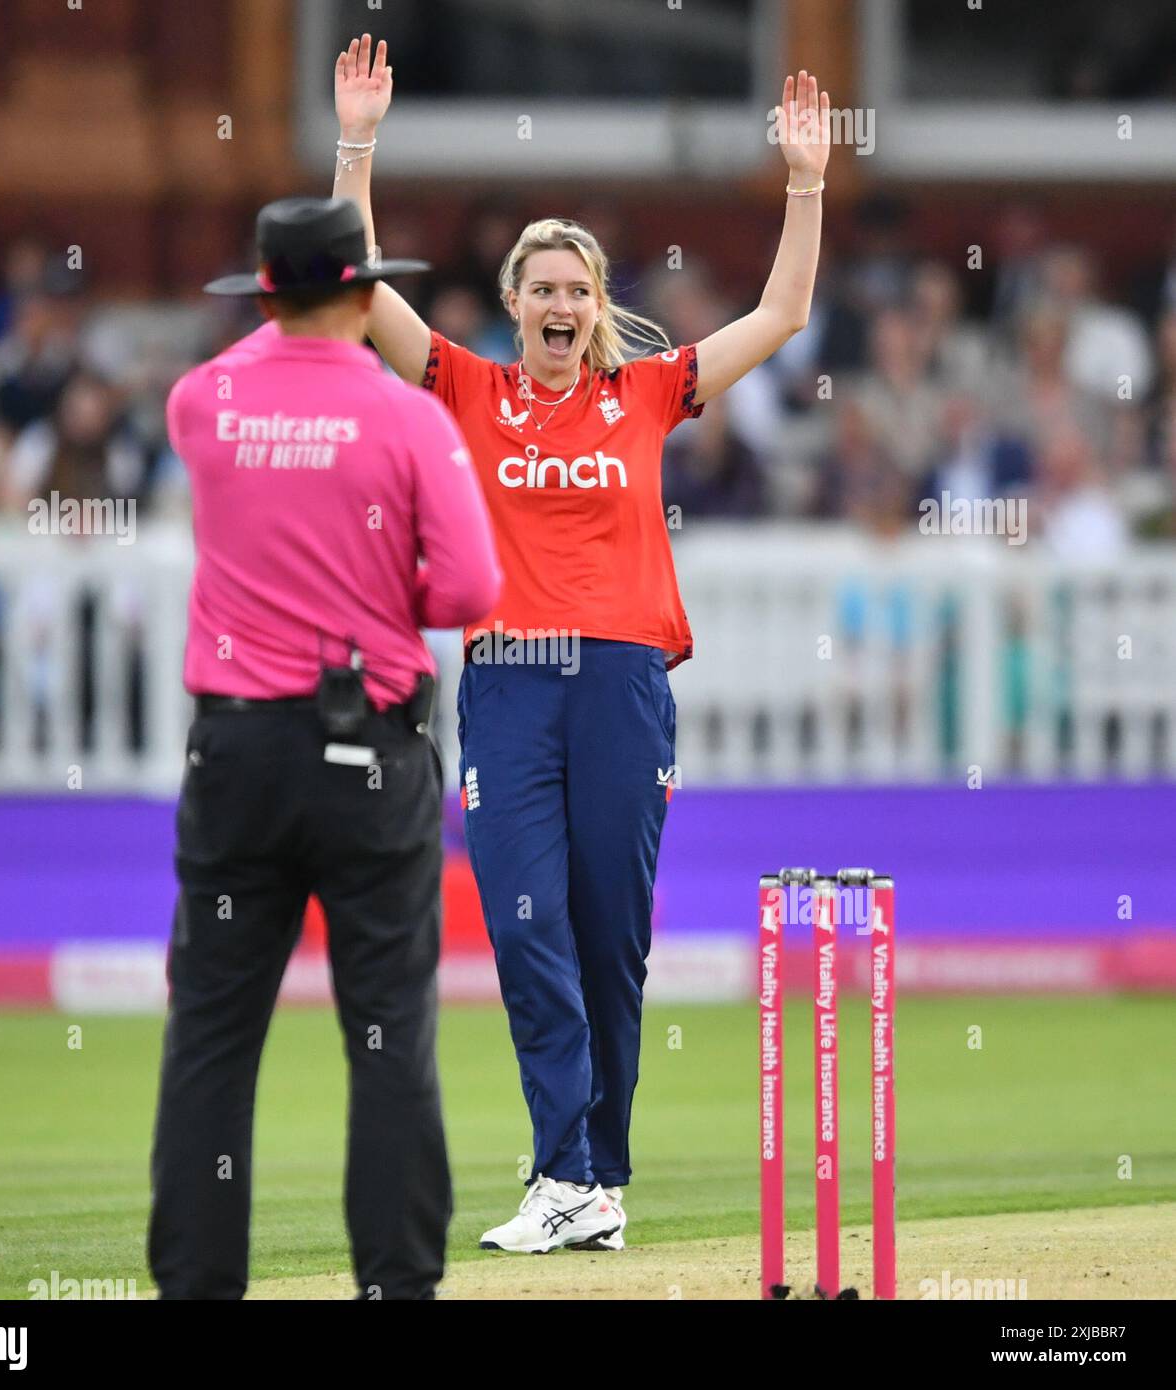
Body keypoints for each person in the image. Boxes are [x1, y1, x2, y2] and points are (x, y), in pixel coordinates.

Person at [333, 35, 829, 1252]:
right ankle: (563, 1170)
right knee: (522, 921)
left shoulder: (648, 392)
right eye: (541, 289)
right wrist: (357, 144)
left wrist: (805, 180)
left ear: (598, 306)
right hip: (505, 682)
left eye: (577, 289)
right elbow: (354, 292)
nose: (561, 306)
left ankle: (593, 1182)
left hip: (619, 680)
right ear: (514, 306)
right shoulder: (466, 388)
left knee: (610, 934)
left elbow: (783, 310)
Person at [148, 196, 501, 1299]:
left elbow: (261, 373)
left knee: (210, 1033)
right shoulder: (406, 418)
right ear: (362, 290)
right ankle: (397, 1284)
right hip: (369, 751)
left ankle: (197, 1285)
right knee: (389, 1034)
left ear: (262, 292)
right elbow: (471, 589)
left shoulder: (202, 401)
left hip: (236, 753)